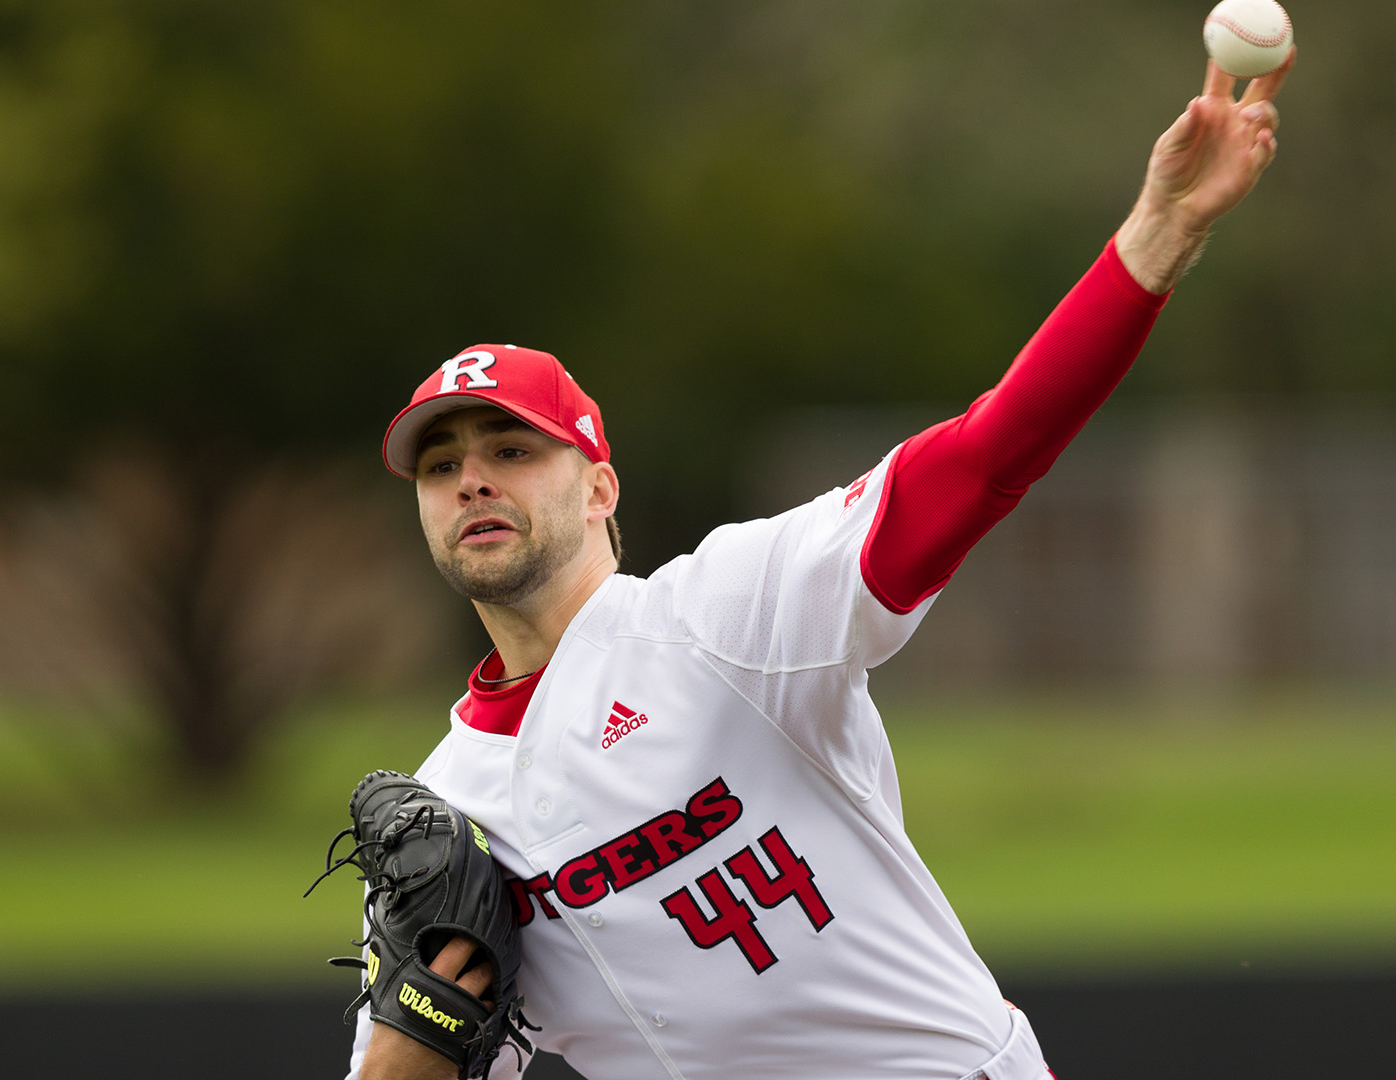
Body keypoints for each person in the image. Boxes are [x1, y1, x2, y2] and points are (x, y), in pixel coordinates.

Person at [349, 53, 1293, 1080]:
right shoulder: (444, 819)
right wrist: (408, 1042)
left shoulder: (726, 616)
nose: (474, 480)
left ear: (600, 490)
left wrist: (1158, 236)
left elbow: (980, 461)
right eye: (441, 466)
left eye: (513, 450)